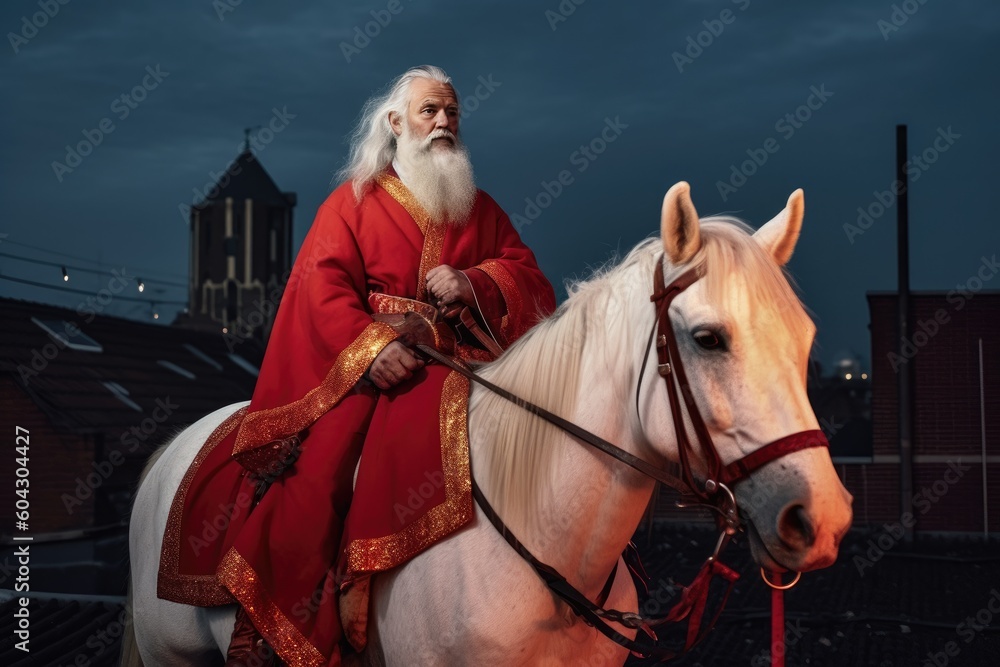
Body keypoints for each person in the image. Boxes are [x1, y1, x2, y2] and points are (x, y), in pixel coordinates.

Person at [156, 65, 555, 666]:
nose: (445, 123)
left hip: (465, 364)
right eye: (430, 112)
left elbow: (530, 278)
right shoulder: (352, 203)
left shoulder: (482, 209)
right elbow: (320, 287)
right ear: (396, 124)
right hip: (374, 369)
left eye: (452, 113)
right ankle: (270, 624)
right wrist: (373, 349)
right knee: (320, 471)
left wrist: (476, 282)